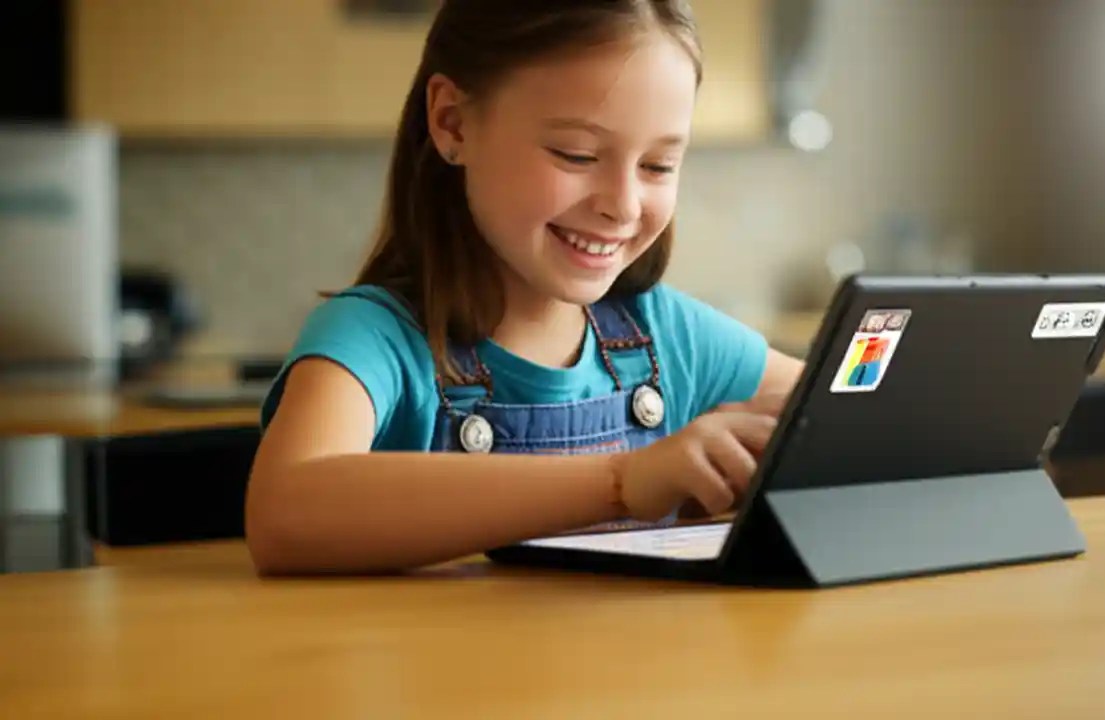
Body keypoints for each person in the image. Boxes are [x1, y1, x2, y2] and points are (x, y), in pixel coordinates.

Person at [245, 0, 804, 576]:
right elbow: (285, 512)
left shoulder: (667, 335)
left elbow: (846, 413)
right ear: (452, 123)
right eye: (577, 154)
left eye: (659, 165)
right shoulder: (375, 338)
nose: (623, 205)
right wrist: (622, 482)